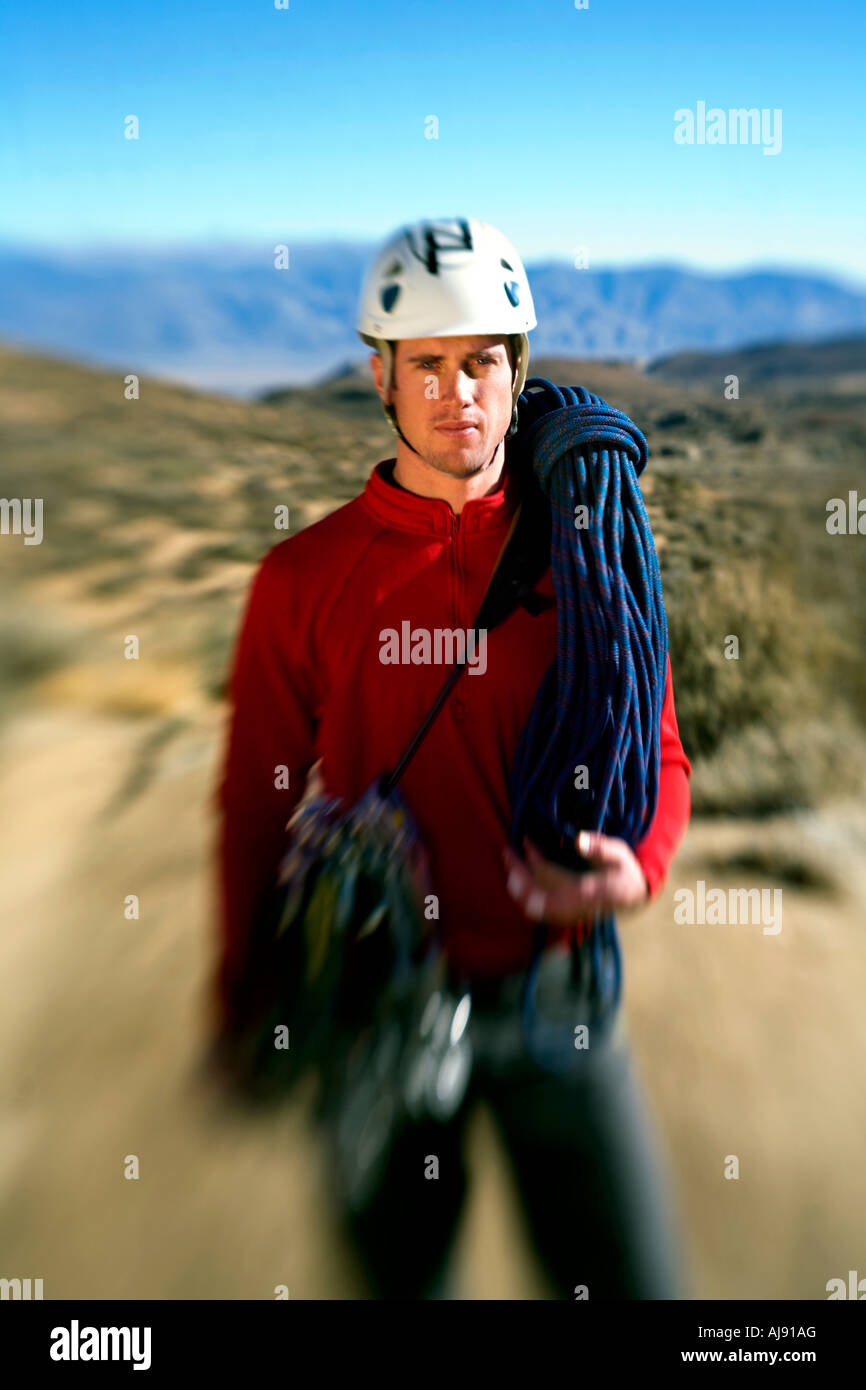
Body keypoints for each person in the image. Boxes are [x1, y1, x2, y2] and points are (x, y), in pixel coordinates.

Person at [211, 216, 693, 1299]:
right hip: (377, 1009)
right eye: (425, 363)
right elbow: (254, 803)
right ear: (380, 377)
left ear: (516, 373)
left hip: (556, 998)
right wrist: (242, 996)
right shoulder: (303, 582)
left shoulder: (592, 554)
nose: (455, 391)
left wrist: (641, 863)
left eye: (480, 359)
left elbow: (658, 750)